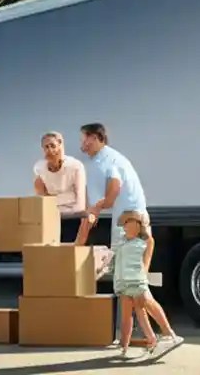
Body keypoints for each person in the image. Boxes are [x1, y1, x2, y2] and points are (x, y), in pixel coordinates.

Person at [74, 122, 183, 356]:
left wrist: (98, 207)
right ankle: (151, 338)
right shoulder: (107, 159)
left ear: (97, 138)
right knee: (130, 290)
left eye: (85, 139)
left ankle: (168, 334)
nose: (82, 144)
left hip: (129, 222)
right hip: (129, 219)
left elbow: (113, 191)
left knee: (136, 289)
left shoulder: (107, 160)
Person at [113, 210, 158, 359]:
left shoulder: (145, 241)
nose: (126, 227)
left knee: (143, 308)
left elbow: (145, 263)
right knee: (135, 312)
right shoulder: (125, 241)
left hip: (137, 281)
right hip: (127, 282)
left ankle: (156, 337)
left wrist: (141, 280)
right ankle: (134, 343)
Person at [32, 131, 87, 241]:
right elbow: (41, 196)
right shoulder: (39, 168)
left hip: (72, 216)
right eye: (46, 147)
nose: (50, 150)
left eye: (52, 146)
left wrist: (74, 214)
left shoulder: (75, 166)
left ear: (60, 145)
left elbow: (81, 198)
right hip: (51, 216)